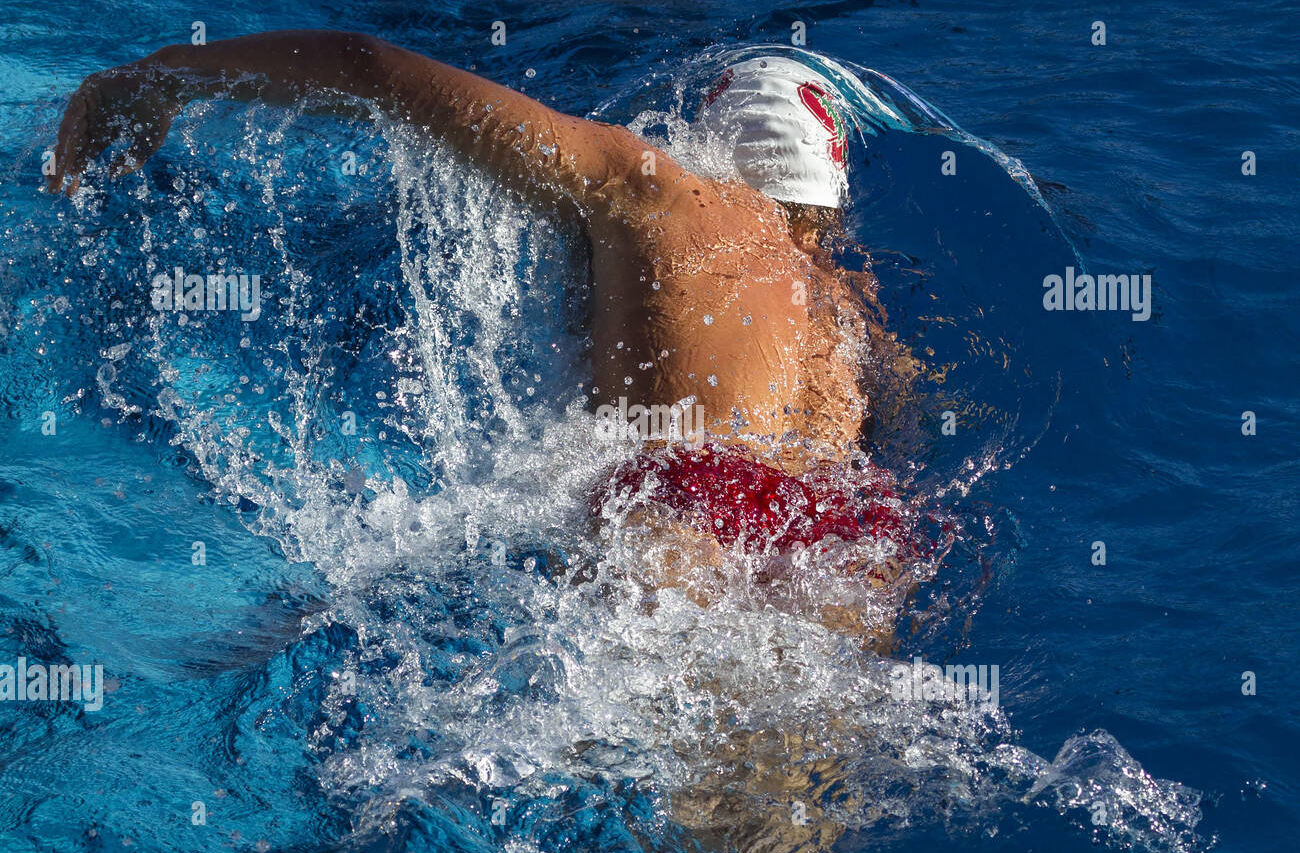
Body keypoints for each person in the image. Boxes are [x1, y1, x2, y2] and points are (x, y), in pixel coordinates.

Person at [48, 32, 922, 633]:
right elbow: (898, 437)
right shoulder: (850, 303)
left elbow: (373, 69)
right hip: (847, 534)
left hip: (683, 502)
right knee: (795, 800)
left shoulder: (657, 189)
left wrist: (156, 76)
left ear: (714, 141)